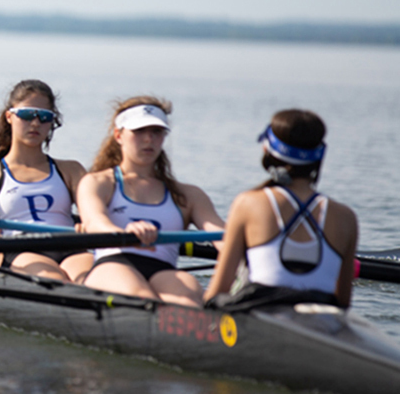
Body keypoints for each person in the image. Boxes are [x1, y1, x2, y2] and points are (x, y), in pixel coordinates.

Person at [77, 97, 224, 307]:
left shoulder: (188, 195)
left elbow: (224, 237)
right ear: (119, 135)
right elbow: (94, 223)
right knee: (143, 298)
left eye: (156, 132)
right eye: (139, 131)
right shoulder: (97, 183)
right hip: (112, 265)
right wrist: (125, 231)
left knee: (189, 298)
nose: (148, 139)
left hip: (162, 269)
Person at [204, 110, 357, 309]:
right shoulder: (346, 217)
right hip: (322, 322)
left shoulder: (248, 203)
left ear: (268, 150)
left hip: (260, 318)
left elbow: (218, 290)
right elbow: (343, 303)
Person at [0, 80, 91, 282]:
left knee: (90, 280)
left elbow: (94, 213)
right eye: (26, 115)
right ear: (9, 117)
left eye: (44, 117)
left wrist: (91, 223)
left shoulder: (72, 170)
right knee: (57, 280)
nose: (35, 123)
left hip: (69, 247)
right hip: (19, 249)